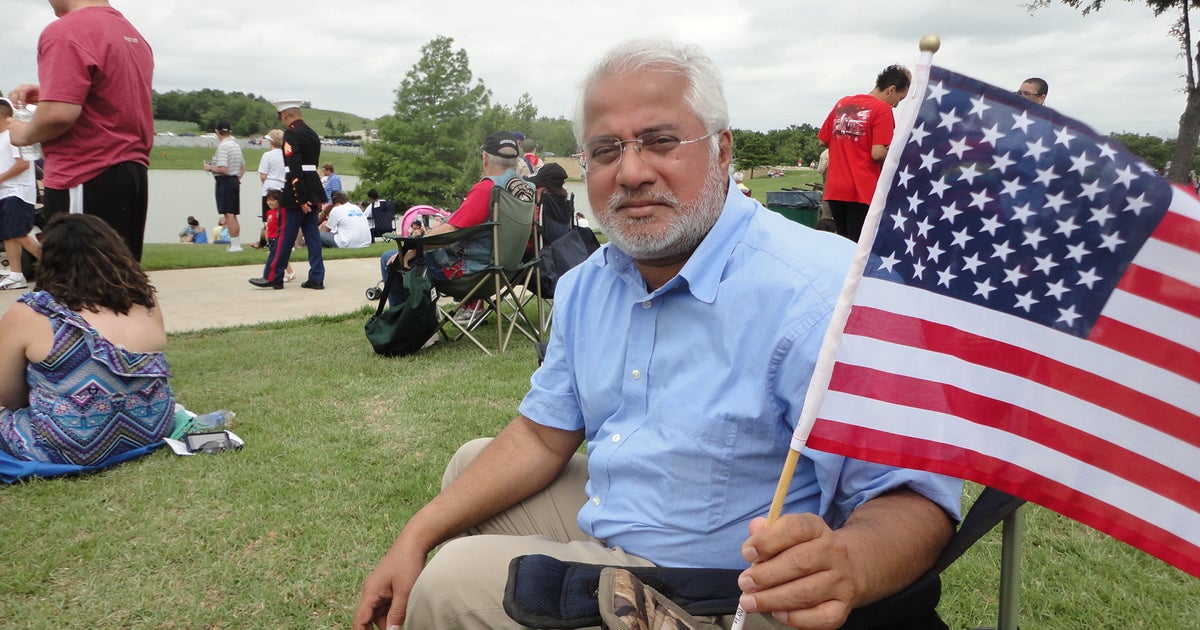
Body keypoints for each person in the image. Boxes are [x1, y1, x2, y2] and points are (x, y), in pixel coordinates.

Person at [353, 39, 961, 630]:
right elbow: (543, 436)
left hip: (725, 588)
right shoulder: (588, 283)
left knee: (455, 581)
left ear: (722, 150)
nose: (632, 172)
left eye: (660, 141)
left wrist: (846, 564)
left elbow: (912, 499)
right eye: (605, 150)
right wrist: (416, 533)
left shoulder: (823, 292)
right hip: (639, 524)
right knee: (471, 468)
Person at [0, 213, 174, 476]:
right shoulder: (146, 300)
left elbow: (7, 395)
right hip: (152, 428)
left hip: (66, 447)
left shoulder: (32, 313)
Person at [7, 0, 154, 261]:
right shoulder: (128, 32)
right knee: (123, 285)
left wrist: (23, 134)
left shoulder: (67, 29)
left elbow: (59, 116)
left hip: (85, 175)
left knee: (75, 288)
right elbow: (114, 99)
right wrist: (52, 93)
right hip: (130, 174)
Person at [376, 131, 523, 308]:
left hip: (472, 275)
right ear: (516, 160)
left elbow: (450, 231)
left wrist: (415, 248)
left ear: (485, 158)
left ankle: (408, 327)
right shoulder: (526, 190)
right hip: (508, 272)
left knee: (390, 259)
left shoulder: (488, 189)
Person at [818, 64, 911, 243]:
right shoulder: (882, 109)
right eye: (899, 99)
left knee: (843, 243)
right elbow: (877, 153)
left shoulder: (843, 103)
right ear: (891, 90)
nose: (896, 105)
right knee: (859, 246)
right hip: (861, 190)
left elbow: (822, 140)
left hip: (835, 189)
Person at [249, 99, 326, 290]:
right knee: (312, 236)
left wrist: (300, 199)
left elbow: (293, 167)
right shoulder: (312, 134)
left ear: (285, 115)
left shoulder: (291, 134)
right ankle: (317, 277)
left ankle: (273, 276)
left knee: (284, 236)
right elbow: (312, 165)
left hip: (296, 192)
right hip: (314, 187)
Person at [0, 98, 41, 291]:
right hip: (5, 193)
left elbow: (23, 164)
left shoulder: (14, 136)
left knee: (19, 233)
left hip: (19, 192)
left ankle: (58, 270)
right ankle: (16, 275)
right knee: (8, 235)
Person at [202, 121, 245, 252]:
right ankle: (236, 243)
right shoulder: (235, 145)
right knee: (233, 213)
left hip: (225, 181)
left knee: (229, 214)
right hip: (234, 180)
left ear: (217, 132)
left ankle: (235, 245)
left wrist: (210, 168)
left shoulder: (223, 147)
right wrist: (236, 179)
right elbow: (243, 167)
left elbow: (223, 169)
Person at [261, 189, 295, 282]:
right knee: (277, 256)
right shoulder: (269, 212)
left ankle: (289, 273)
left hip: (277, 237)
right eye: (268, 200)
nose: (270, 202)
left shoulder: (279, 212)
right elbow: (269, 225)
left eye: (273, 200)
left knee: (278, 256)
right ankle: (286, 272)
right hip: (271, 238)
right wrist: (266, 234)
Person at [258, 129, 286, 221]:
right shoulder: (286, 156)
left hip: (269, 188)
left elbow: (263, 176)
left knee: (268, 219)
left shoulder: (267, 155)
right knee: (281, 218)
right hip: (283, 189)